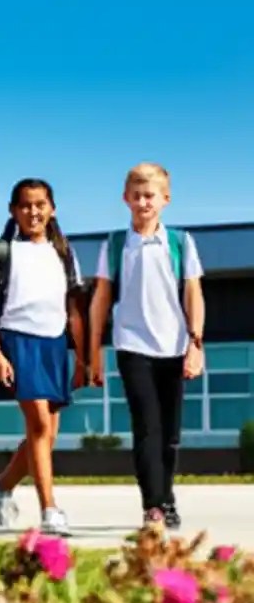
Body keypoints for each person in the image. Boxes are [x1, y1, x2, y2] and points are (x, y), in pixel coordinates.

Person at [89, 162, 205, 531]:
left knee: (170, 434)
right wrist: (93, 349)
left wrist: (196, 343)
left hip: (173, 346)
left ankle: (166, 497)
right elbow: (101, 299)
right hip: (132, 345)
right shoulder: (116, 244)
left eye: (150, 196)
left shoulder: (180, 242)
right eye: (136, 196)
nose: (143, 202)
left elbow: (193, 292)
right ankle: (152, 506)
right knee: (147, 428)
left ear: (165, 200)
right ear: (126, 199)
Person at [0, 178, 87, 536]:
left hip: (54, 344)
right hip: (18, 341)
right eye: (25, 205)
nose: (33, 211)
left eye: (40, 204)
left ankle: (2, 486)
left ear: (52, 209)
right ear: (13, 210)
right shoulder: (2, 252)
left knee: (48, 434)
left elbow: (73, 311)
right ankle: (50, 509)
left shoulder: (64, 253)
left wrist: (84, 358)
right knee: (39, 425)